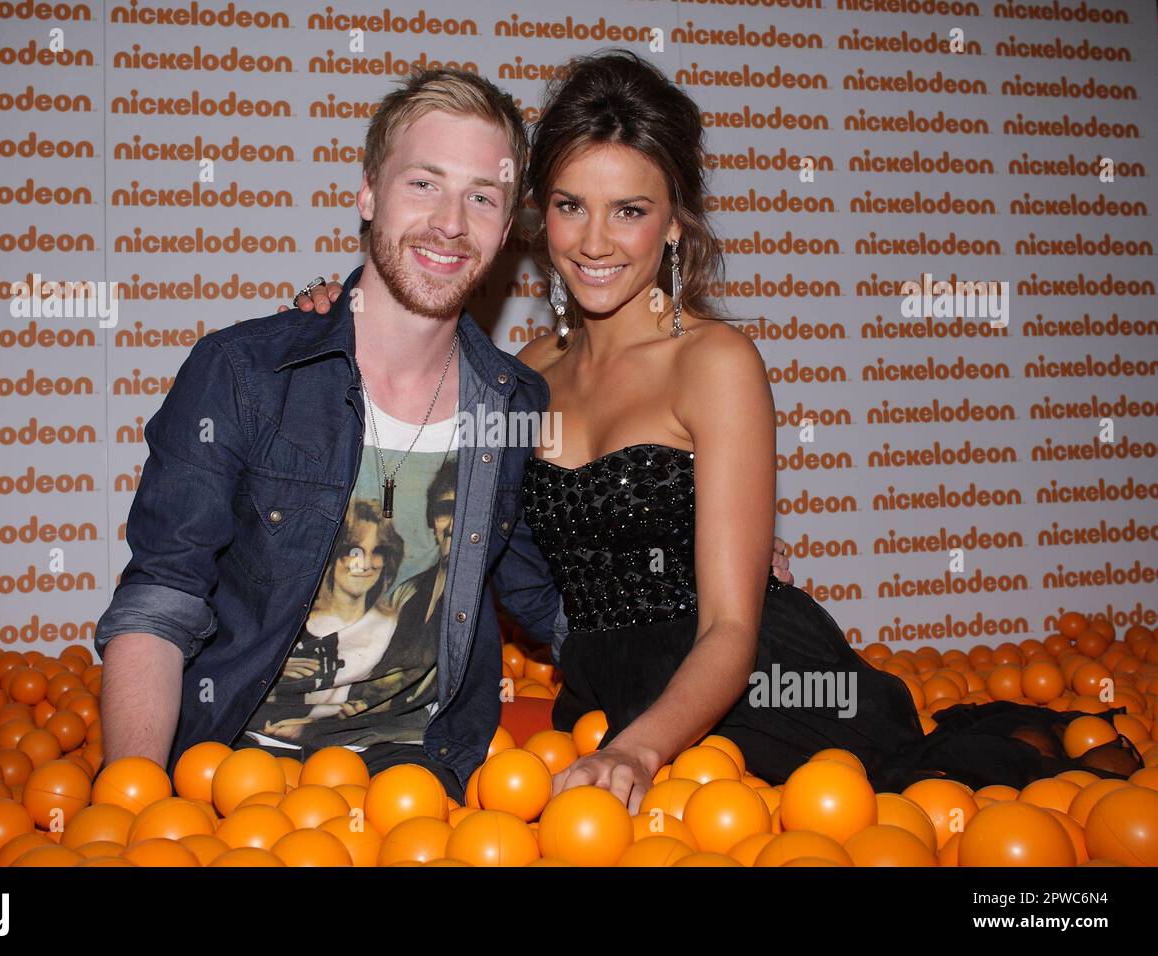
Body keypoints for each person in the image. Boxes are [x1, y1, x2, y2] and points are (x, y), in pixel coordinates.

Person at [295, 49, 1141, 812]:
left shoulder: (717, 362)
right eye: (569, 206)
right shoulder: (522, 373)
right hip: (602, 696)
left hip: (752, 691)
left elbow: (731, 628)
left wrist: (640, 749)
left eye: (629, 210)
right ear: (535, 215)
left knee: (913, 806)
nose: (594, 242)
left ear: (673, 223)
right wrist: (341, 311)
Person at [94, 63, 799, 803]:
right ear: (369, 190)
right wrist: (130, 801)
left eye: (482, 196)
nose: (451, 222)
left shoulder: (509, 401)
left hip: (428, 784)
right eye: (424, 183)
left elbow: (551, 584)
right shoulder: (247, 373)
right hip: (232, 776)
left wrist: (710, 559)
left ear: (507, 226)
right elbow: (161, 599)